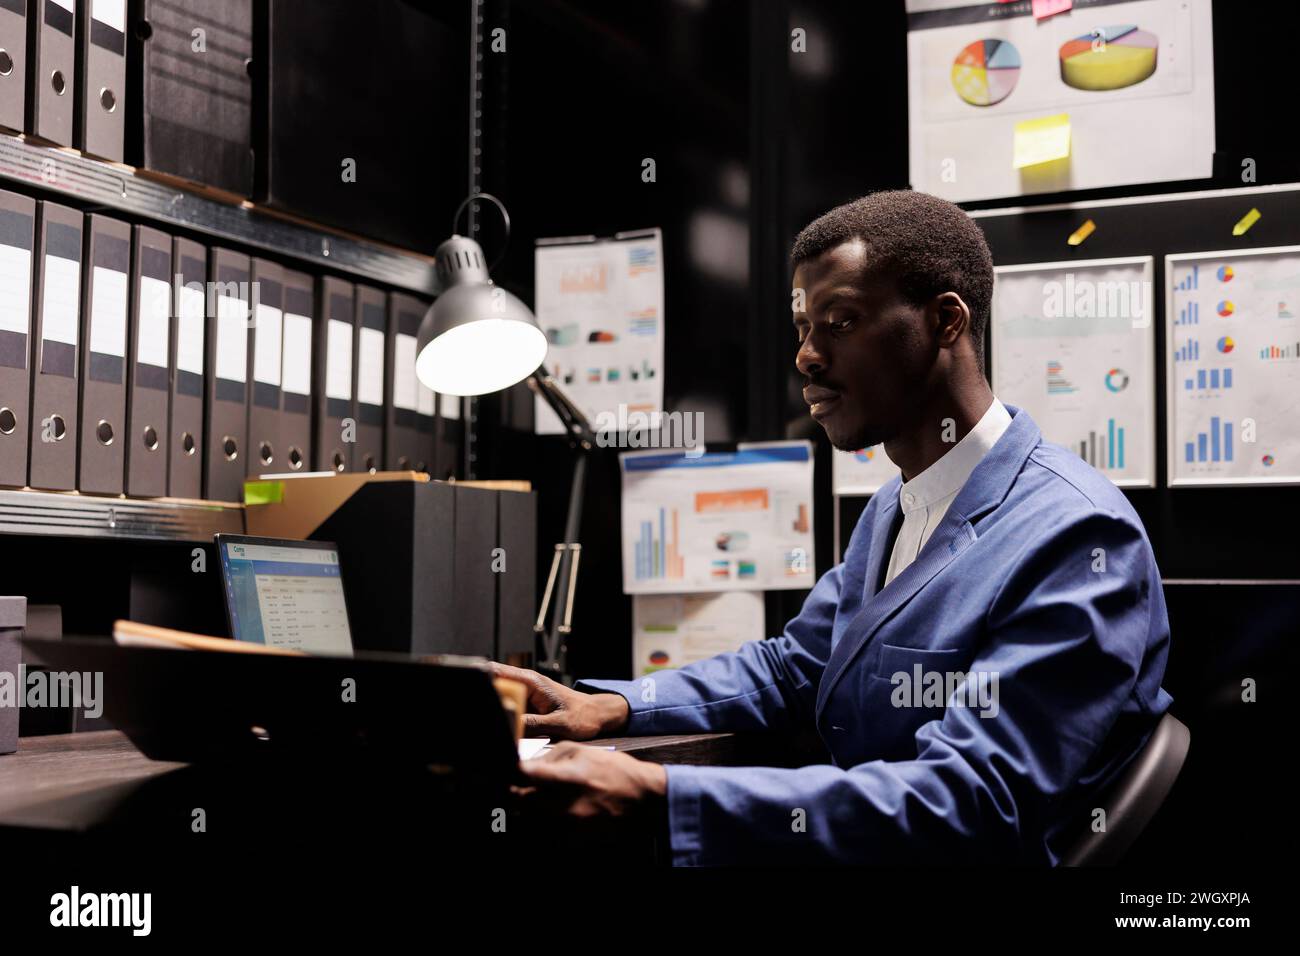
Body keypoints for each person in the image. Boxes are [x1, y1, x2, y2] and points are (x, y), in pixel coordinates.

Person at [497, 189, 1172, 865]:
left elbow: (974, 800)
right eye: (802, 328)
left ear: (944, 321)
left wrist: (667, 797)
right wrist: (615, 706)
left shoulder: (1076, 535)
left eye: (840, 323)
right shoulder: (893, 508)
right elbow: (797, 666)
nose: (807, 358)